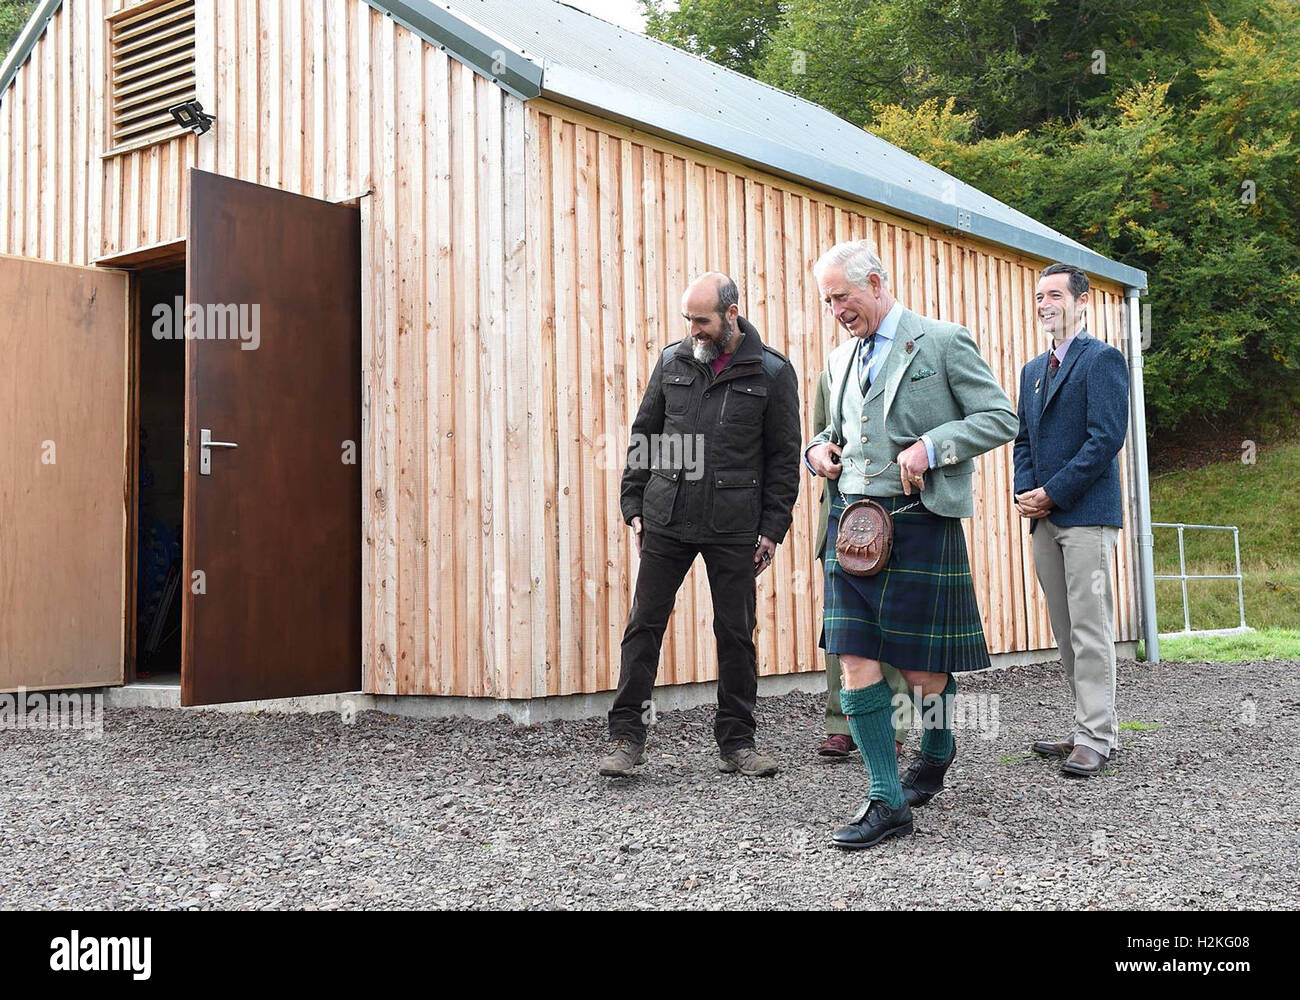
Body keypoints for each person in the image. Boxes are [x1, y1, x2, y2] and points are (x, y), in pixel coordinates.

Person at [805, 240, 1017, 849]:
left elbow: (1000, 417)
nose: (836, 311)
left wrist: (932, 447)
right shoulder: (840, 360)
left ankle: (938, 745)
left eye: (842, 297)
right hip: (853, 527)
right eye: (828, 301)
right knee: (854, 656)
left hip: (920, 520)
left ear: (875, 283)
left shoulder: (943, 341)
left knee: (925, 671)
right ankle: (886, 800)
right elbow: (834, 428)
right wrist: (816, 449)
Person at [600, 273, 802, 778]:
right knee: (643, 628)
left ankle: (738, 743)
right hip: (667, 516)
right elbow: (644, 434)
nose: (694, 329)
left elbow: (783, 459)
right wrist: (634, 506)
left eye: (703, 320)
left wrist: (773, 529)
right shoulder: (672, 361)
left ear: (732, 314)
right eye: (688, 320)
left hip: (736, 525)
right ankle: (627, 738)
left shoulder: (772, 373)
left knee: (736, 633)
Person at [1014, 262, 1130, 777]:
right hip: (1043, 519)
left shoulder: (1103, 360)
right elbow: (1023, 442)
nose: (1044, 304)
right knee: (1065, 629)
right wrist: (1025, 492)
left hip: (1086, 516)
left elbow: (1105, 440)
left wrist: (1052, 493)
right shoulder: (1032, 371)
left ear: (1082, 302)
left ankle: (1097, 737)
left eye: (1054, 295)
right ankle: (1083, 724)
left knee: (1091, 627)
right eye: (1039, 296)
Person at [811, 366, 913, 761]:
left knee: (895, 627)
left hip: (895, 516)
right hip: (842, 518)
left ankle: (896, 727)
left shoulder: (905, 372)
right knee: (842, 631)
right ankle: (840, 726)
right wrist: (816, 455)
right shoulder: (830, 374)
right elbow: (821, 437)